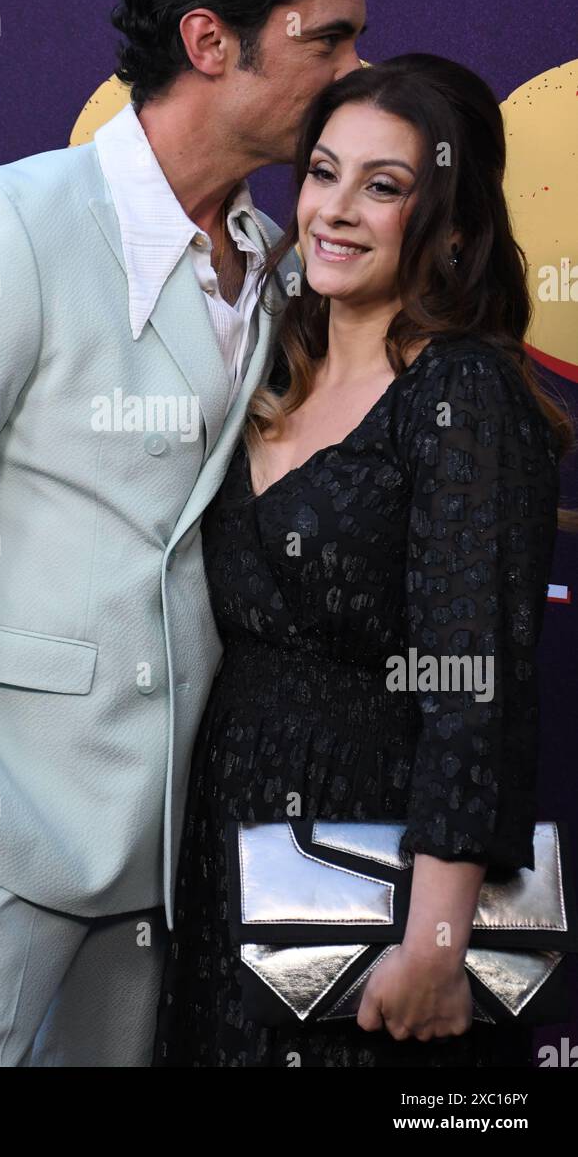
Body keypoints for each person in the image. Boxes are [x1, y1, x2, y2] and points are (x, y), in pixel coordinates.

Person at [0, 0, 366, 1066]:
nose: (352, 72)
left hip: (163, 861)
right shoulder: (9, 226)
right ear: (209, 41)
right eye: (324, 40)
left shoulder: (276, 262)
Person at [152, 53, 574, 1067]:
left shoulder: (462, 395)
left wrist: (435, 938)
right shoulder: (270, 358)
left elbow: (472, 688)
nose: (334, 211)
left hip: (373, 874)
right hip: (226, 843)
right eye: (322, 172)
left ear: (455, 227)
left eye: (383, 187)